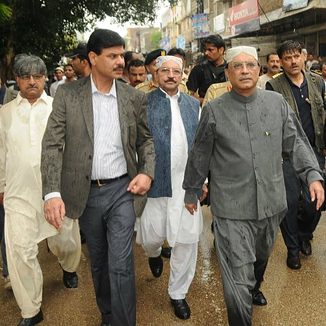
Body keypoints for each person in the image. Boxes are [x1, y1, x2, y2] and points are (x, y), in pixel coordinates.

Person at [182, 46, 324, 326]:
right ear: (228, 73)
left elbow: (295, 142)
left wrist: (313, 175)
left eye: (250, 65)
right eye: (237, 66)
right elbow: (200, 153)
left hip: (271, 203)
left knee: (259, 260)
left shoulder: (276, 103)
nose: (245, 70)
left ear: (259, 71)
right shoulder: (213, 109)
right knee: (237, 273)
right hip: (231, 207)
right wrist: (192, 189)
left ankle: (254, 285)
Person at [41, 29, 155, 326]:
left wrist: (146, 172)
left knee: (121, 264)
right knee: (100, 264)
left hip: (122, 190)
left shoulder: (132, 96)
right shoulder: (68, 95)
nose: (121, 61)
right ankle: (108, 314)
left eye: (122, 55)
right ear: (93, 58)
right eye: (113, 56)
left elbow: (145, 140)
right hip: (87, 193)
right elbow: (52, 144)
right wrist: (51, 193)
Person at [0, 54, 81, 326]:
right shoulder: (5, 113)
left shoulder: (59, 107)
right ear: (17, 80)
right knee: (20, 250)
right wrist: (1, 185)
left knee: (65, 240)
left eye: (37, 76)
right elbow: (1, 153)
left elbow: (73, 148)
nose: (31, 82)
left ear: (45, 78)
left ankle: (69, 267)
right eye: (25, 77)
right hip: (18, 193)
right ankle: (31, 310)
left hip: (57, 189)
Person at [137, 55, 205, 320]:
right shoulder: (142, 103)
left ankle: (178, 294)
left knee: (187, 241)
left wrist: (203, 182)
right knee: (152, 237)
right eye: (164, 70)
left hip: (186, 186)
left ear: (183, 74)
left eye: (176, 71)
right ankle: (154, 255)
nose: (170, 75)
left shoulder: (192, 105)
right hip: (154, 184)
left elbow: (201, 147)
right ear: (155, 73)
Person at [266, 40, 326, 270]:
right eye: (287, 58)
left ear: (303, 56)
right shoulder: (273, 86)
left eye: (296, 56)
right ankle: (292, 249)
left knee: (315, 202)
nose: (292, 61)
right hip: (287, 154)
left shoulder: (317, 82)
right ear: (280, 62)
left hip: (315, 150)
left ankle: (304, 234)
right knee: (289, 203)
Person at [187, 34, 227, 104]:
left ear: (221, 50)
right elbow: (188, 95)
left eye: (210, 50)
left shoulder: (230, 69)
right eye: (205, 50)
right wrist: (206, 101)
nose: (206, 53)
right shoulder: (199, 69)